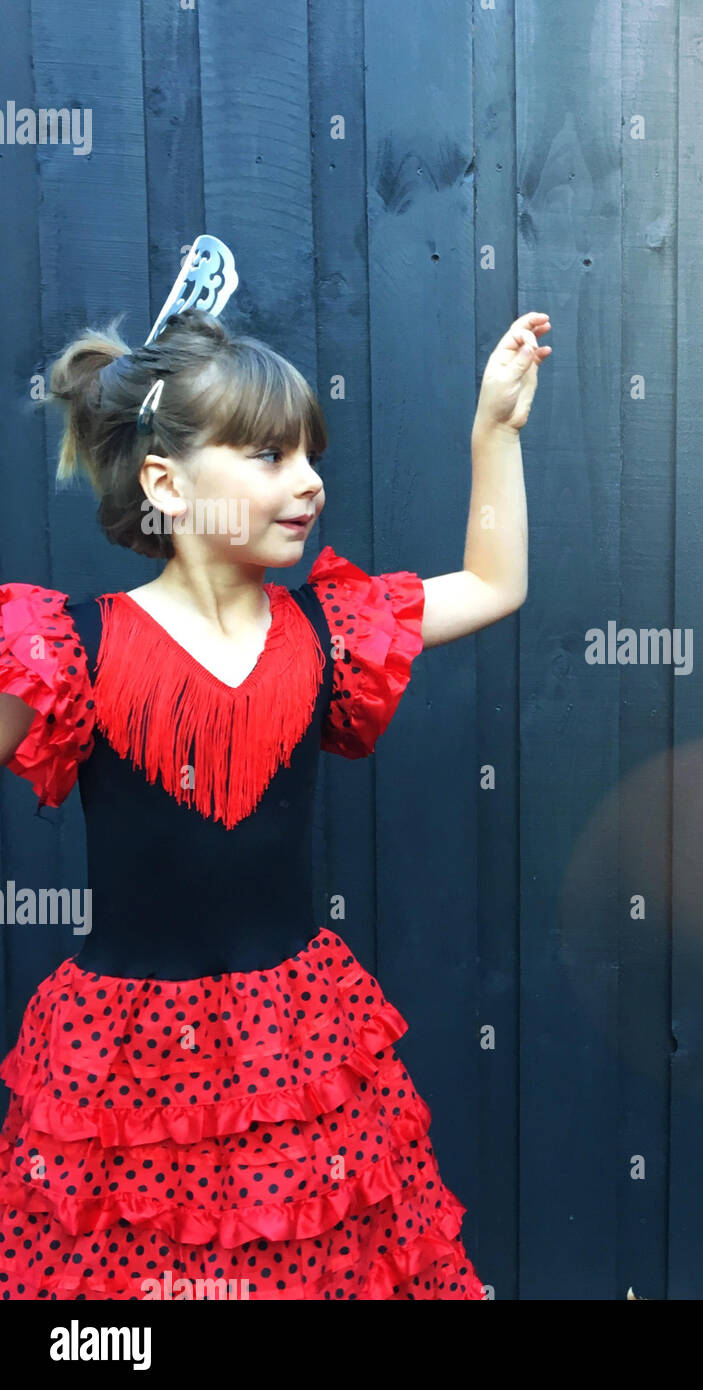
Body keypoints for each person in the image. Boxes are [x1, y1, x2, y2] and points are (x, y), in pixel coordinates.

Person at [0, 278, 549, 1299]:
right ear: (166, 484)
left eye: (309, 455)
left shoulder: (327, 636)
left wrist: (494, 433)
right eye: (268, 456)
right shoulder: (66, 650)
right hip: (122, 1067)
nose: (307, 482)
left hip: (298, 1049)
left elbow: (493, 584)